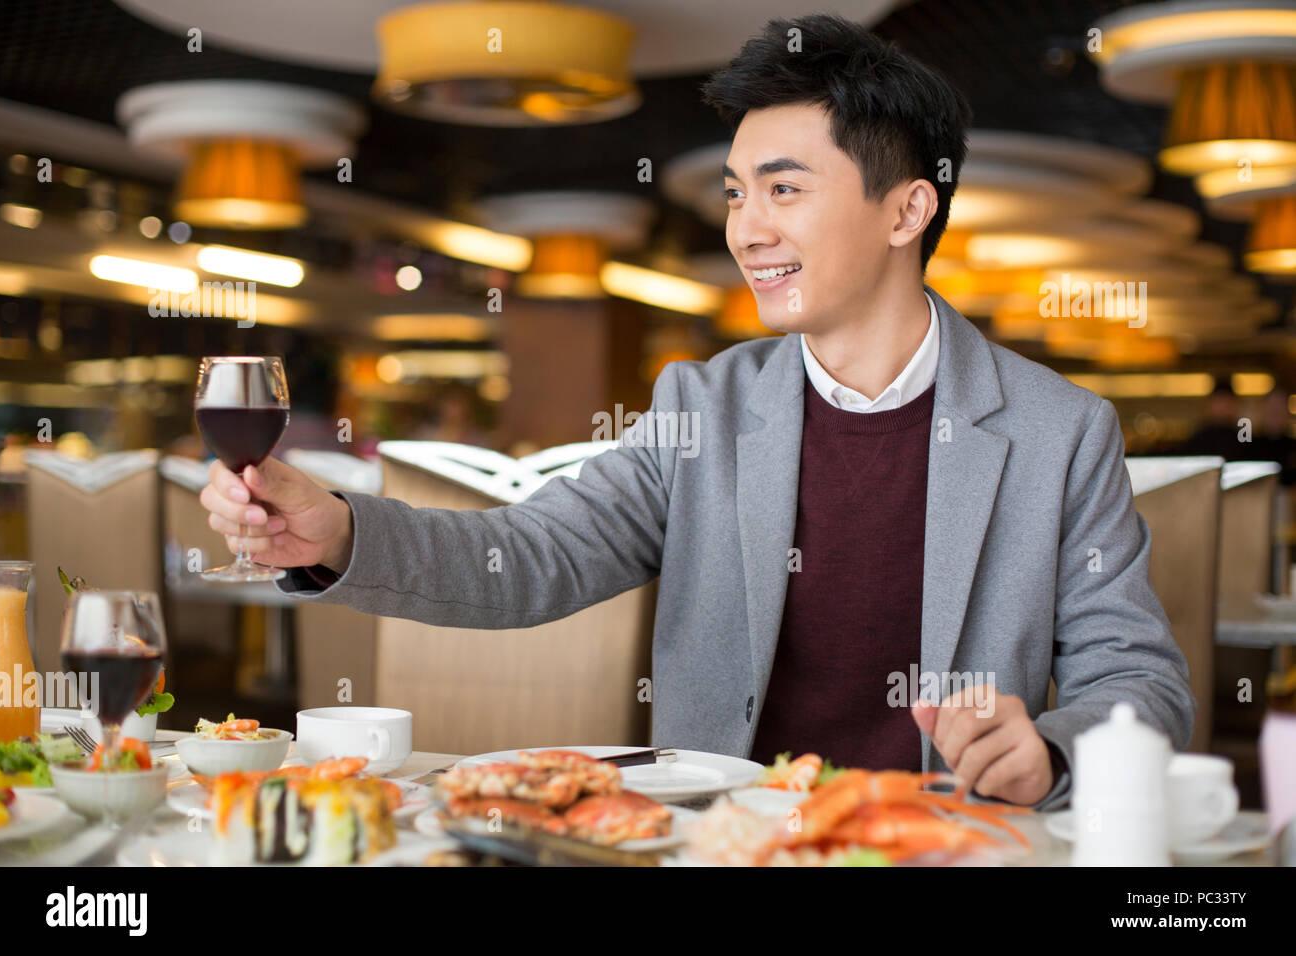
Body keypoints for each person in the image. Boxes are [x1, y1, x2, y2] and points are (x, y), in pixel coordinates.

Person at [199, 14, 1193, 810]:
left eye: (783, 189)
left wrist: (1049, 755)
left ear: (905, 210)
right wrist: (337, 531)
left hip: (938, 839)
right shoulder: (701, 405)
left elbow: (1139, 683)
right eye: (733, 193)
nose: (745, 228)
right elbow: (528, 558)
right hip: (723, 840)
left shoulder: (1058, 430)